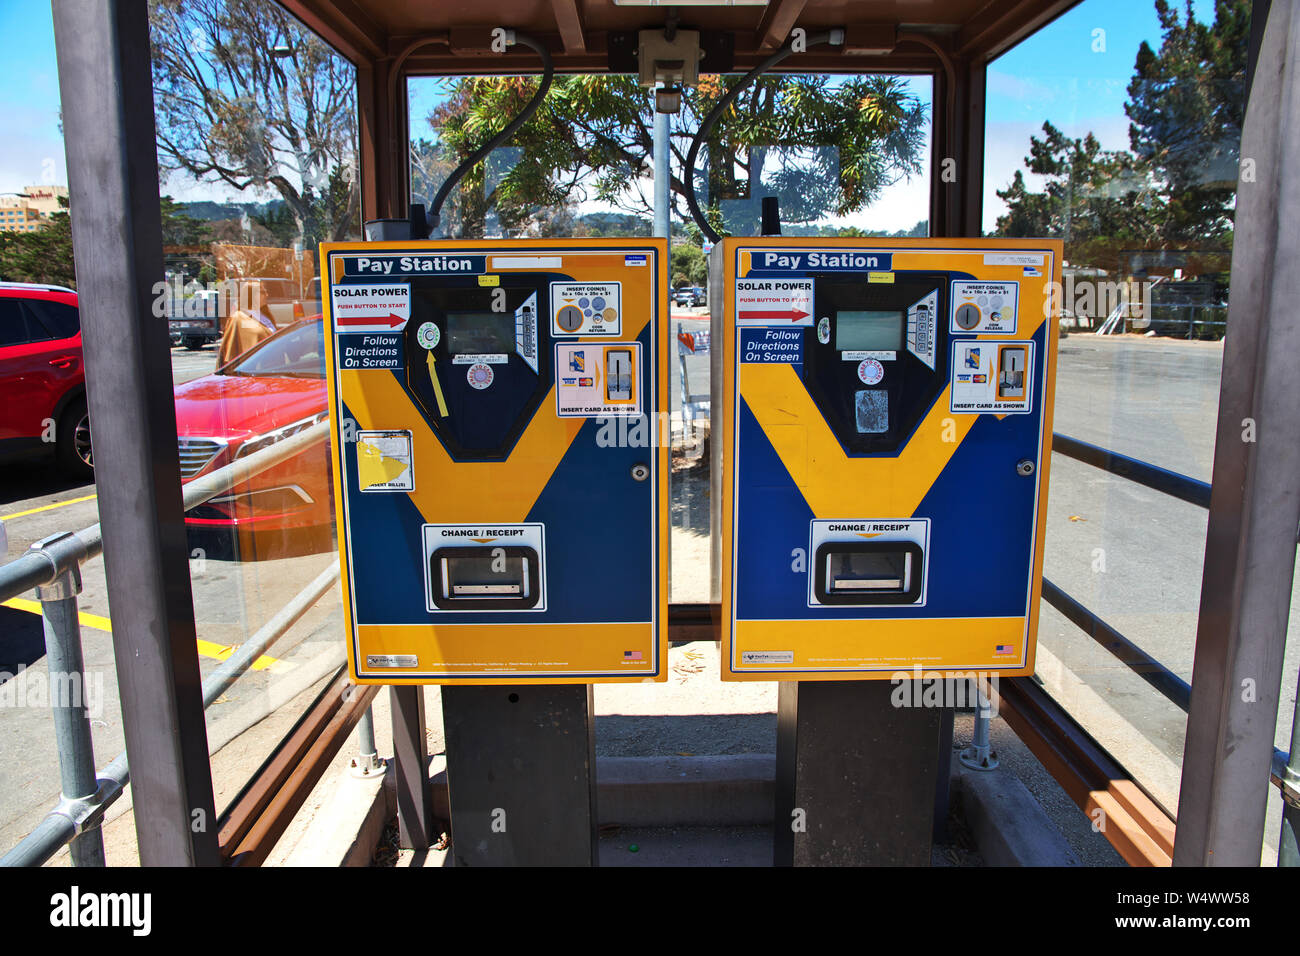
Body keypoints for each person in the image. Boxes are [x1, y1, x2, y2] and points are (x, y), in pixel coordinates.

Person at [217, 280, 278, 366]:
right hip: (252, 371)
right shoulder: (238, 318)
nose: (267, 295)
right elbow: (231, 352)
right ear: (250, 294)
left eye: (266, 292)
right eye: (262, 292)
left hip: (272, 366)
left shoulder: (266, 316)